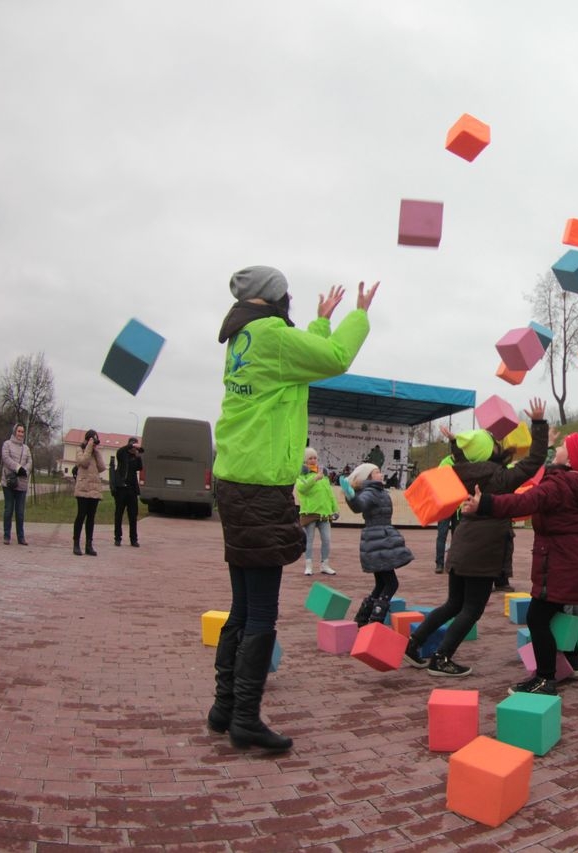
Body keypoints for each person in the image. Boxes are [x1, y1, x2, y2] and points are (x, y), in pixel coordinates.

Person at [207, 265, 377, 754]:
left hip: (235, 478)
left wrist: (321, 322)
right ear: (277, 298)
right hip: (261, 486)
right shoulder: (273, 336)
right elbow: (335, 358)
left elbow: (301, 362)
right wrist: (359, 316)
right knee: (261, 611)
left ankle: (223, 708)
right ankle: (244, 717)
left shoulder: (244, 338)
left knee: (241, 604)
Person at [404, 400, 548, 677]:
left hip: (461, 546)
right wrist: (539, 424)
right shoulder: (500, 478)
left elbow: (464, 456)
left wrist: (456, 442)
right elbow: (534, 462)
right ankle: (441, 658)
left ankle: (413, 644)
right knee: (471, 609)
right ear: (491, 451)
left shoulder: (461, 473)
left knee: (452, 604)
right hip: (483, 552)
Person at [459, 431, 578, 696]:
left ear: (572, 461)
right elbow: (546, 479)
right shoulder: (577, 483)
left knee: (537, 617)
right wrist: (548, 445)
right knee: (559, 613)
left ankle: (545, 678)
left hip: (558, 558)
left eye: (564, 447)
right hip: (569, 556)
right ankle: (571, 664)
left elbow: (525, 501)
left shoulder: (560, 486)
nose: (559, 449)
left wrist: (486, 503)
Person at [348, 461, 413, 625]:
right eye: (377, 472)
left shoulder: (379, 491)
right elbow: (359, 505)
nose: (381, 474)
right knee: (391, 583)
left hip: (381, 540)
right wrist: (351, 497)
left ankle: (362, 619)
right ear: (369, 477)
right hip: (378, 541)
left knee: (381, 583)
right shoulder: (371, 492)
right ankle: (375, 621)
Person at [296, 447, 339, 576]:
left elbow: (329, 494)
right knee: (309, 540)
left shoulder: (324, 476)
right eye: (310, 458)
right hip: (310, 513)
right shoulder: (301, 475)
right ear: (305, 460)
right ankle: (308, 566)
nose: (313, 460)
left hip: (324, 513)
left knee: (327, 540)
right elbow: (302, 489)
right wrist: (314, 479)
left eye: (315, 458)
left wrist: (335, 509)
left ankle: (324, 565)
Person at [71, 429, 106, 557]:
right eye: (93, 439)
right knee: (81, 516)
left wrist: (96, 451)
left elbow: (102, 467)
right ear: (87, 439)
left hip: (94, 489)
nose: (94, 441)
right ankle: (76, 543)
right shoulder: (79, 450)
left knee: (91, 518)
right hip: (83, 488)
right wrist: (89, 447)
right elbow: (84, 462)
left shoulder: (95, 453)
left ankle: (89, 545)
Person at [1, 423, 32, 546]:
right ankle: (6, 535)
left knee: (20, 512)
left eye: (22, 432)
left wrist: (25, 470)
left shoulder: (26, 448)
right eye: (19, 431)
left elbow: (30, 461)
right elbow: (6, 458)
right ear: (14, 432)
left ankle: (21, 537)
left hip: (22, 484)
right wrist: (18, 468)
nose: (20, 434)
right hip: (9, 482)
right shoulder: (7, 444)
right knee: (9, 509)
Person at [113, 437, 143, 547]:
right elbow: (120, 452)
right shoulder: (122, 454)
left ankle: (133, 539)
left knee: (133, 515)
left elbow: (140, 468)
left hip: (132, 490)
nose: (134, 448)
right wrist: (129, 447)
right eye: (133, 446)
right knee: (119, 514)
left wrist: (138, 456)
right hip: (121, 489)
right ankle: (117, 538)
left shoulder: (135, 457)